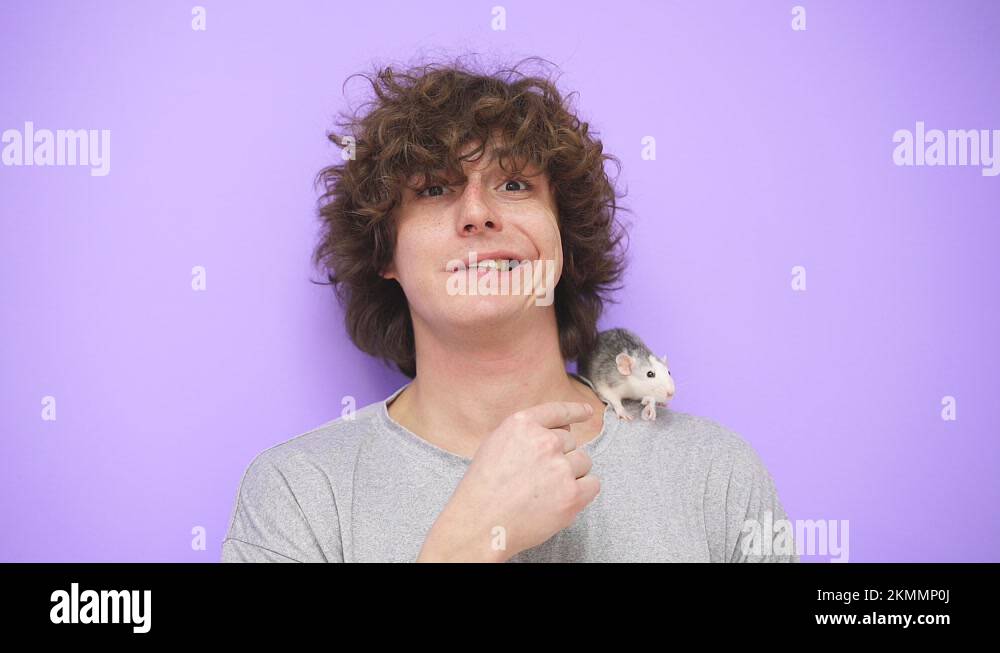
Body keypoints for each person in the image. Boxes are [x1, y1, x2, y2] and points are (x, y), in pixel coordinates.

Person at [221, 56, 798, 563]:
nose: (477, 213)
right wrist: (470, 543)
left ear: (562, 239)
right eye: (432, 188)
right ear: (386, 254)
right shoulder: (297, 494)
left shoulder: (714, 474)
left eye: (515, 185)